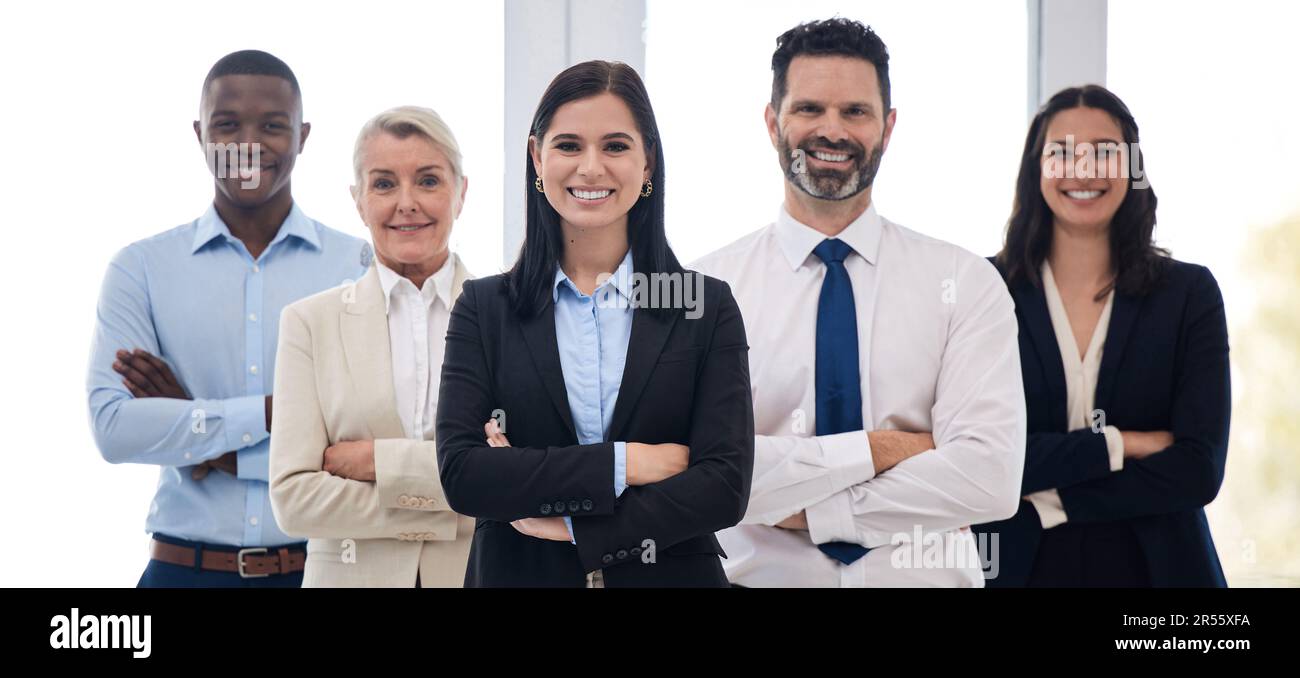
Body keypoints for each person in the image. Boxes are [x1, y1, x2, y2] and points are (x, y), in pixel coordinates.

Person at [692, 18, 1025, 587]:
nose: (832, 131)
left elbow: (988, 478)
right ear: (773, 122)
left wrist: (809, 509)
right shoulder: (704, 291)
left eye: (855, 112)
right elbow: (701, 476)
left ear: (887, 127)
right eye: (809, 109)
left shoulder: (964, 282)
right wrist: (888, 449)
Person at [435, 60, 754, 587]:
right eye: (567, 146)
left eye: (615, 146)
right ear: (537, 157)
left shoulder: (705, 305)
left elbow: (724, 484)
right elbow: (465, 477)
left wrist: (580, 529)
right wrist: (628, 464)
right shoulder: (483, 308)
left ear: (647, 162)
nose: (590, 167)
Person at [87, 50, 368, 587]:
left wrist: (205, 439)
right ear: (199, 134)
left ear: (303, 135)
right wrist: (277, 413)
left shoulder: (358, 267)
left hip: (324, 571)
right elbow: (115, 430)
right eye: (227, 124)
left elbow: (370, 443)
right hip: (181, 572)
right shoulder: (141, 269)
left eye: (272, 126)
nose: (249, 143)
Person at [973, 85, 1230, 587]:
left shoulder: (1189, 294)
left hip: (1162, 575)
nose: (1084, 169)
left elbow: (1199, 469)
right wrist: (1120, 444)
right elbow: (978, 456)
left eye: (1105, 152)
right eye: (1062, 152)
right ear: (1036, 168)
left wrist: (1053, 497)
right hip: (1017, 570)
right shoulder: (984, 290)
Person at [269, 106, 475, 588]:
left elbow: (527, 479)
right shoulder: (309, 324)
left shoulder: (514, 315)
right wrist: (453, 509)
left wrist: (376, 463)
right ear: (358, 200)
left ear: (461, 193)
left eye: (428, 181)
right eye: (383, 184)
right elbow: (294, 498)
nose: (407, 202)